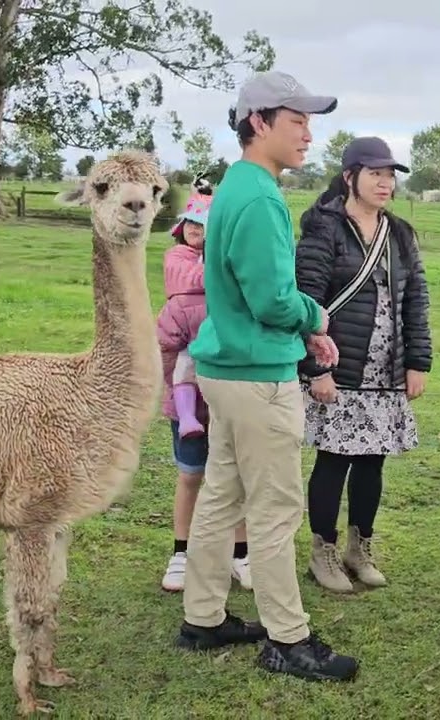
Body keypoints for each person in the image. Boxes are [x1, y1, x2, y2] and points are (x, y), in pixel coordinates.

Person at [173, 70, 359, 683]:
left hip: (227, 370)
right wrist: (315, 315)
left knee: (222, 497)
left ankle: (202, 617)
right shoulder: (259, 198)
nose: (309, 134)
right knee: (276, 506)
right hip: (257, 375)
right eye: (297, 120)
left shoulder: (235, 188)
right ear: (259, 122)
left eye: (309, 121)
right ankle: (289, 637)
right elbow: (273, 299)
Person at [294, 136, 432, 593]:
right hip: (341, 366)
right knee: (333, 461)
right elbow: (307, 300)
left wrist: (418, 361)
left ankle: (360, 547)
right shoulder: (324, 228)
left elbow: (415, 302)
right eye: (376, 173)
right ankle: (324, 552)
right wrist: (318, 369)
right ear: (350, 175)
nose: (385, 182)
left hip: (385, 371)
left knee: (373, 462)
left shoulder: (401, 234)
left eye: (390, 175)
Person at [155, 188, 251, 593]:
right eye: (192, 224)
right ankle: (182, 552)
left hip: (230, 393)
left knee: (237, 478)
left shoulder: (231, 286)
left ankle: (240, 554)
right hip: (188, 387)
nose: (198, 231)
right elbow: (192, 281)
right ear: (182, 229)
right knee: (191, 475)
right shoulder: (180, 263)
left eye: (207, 227)